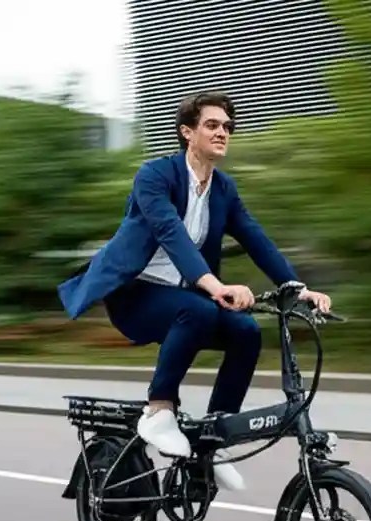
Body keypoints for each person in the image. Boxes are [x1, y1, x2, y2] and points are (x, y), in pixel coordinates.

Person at [57, 92, 331, 491]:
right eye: (212, 125)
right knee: (199, 311)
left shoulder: (223, 189)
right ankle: (159, 410)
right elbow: (170, 232)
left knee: (246, 330)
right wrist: (215, 286)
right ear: (188, 132)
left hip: (184, 297)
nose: (223, 132)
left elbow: (256, 238)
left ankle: (215, 438)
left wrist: (297, 287)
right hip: (136, 297)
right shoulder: (155, 176)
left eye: (227, 127)